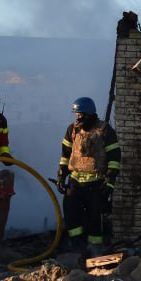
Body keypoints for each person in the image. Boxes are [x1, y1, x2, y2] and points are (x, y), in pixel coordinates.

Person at [57, 97, 121, 258]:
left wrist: (110, 182)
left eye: (80, 114)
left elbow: (114, 157)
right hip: (75, 181)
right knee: (71, 215)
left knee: (95, 218)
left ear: (90, 114)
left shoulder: (104, 131)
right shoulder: (72, 129)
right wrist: (61, 175)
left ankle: (95, 251)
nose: (77, 117)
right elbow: (65, 154)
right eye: (76, 114)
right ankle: (77, 247)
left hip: (96, 182)